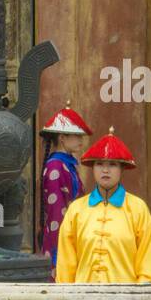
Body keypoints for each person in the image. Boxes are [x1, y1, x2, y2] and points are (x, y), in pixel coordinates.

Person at [55, 128, 151, 300]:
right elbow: (66, 260)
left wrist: (140, 298)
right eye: (100, 164)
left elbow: (146, 258)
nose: (105, 170)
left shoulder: (137, 208)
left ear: (122, 169)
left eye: (112, 164)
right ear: (92, 168)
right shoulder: (77, 209)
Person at [38, 103, 92, 268]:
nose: (81, 141)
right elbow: (56, 213)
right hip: (61, 237)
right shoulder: (55, 166)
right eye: (77, 136)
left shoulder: (66, 165)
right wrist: (64, 244)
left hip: (73, 231)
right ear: (62, 137)